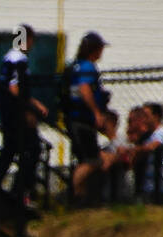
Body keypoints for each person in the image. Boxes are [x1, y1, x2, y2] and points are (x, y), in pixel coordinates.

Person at [0, 25, 48, 201]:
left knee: (10, 150)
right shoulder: (18, 59)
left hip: (9, 112)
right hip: (16, 114)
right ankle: (20, 189)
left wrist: (34, 103)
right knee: (33, 149)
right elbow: (14, 88)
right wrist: (27, 110)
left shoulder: (9, 58)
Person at [65, 31, 111, 204]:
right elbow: (85, 90)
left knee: (85, 159)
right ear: (94, 50)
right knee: (92, 160)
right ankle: (73, 195)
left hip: (74, 118)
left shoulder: (75, 66)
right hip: (82, 120)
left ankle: (81, 198)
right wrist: (96, 113)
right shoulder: (87, 68)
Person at [133, 102, 163, 204]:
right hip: (148, 184)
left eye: (146, 115)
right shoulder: (147, 136)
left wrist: (133, 149)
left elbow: (153, 146)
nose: (143, 119)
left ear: (156, 116)